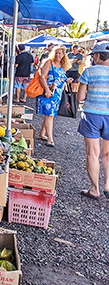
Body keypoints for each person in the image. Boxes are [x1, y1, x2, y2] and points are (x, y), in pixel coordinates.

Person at [77, 42, 109, 199]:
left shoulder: (88, 72)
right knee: (107, 153)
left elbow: (80, 97)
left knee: (93, 153)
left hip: (92, 115)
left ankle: (95, 189)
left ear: (97, 56)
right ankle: (108, 186)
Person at [36, 46, 72, 147]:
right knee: (49, 115)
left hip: (57, 94)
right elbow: (41, 77)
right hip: (47, 92)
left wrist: (66, 80)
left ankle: (41, 134)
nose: (58, 55)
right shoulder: (48, 62)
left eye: (60, 53)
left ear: (64, 55)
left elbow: (61, 77)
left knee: (50, 114)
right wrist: (47, 89)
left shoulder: (62, 65)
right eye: (56, 52)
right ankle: (50, 140)